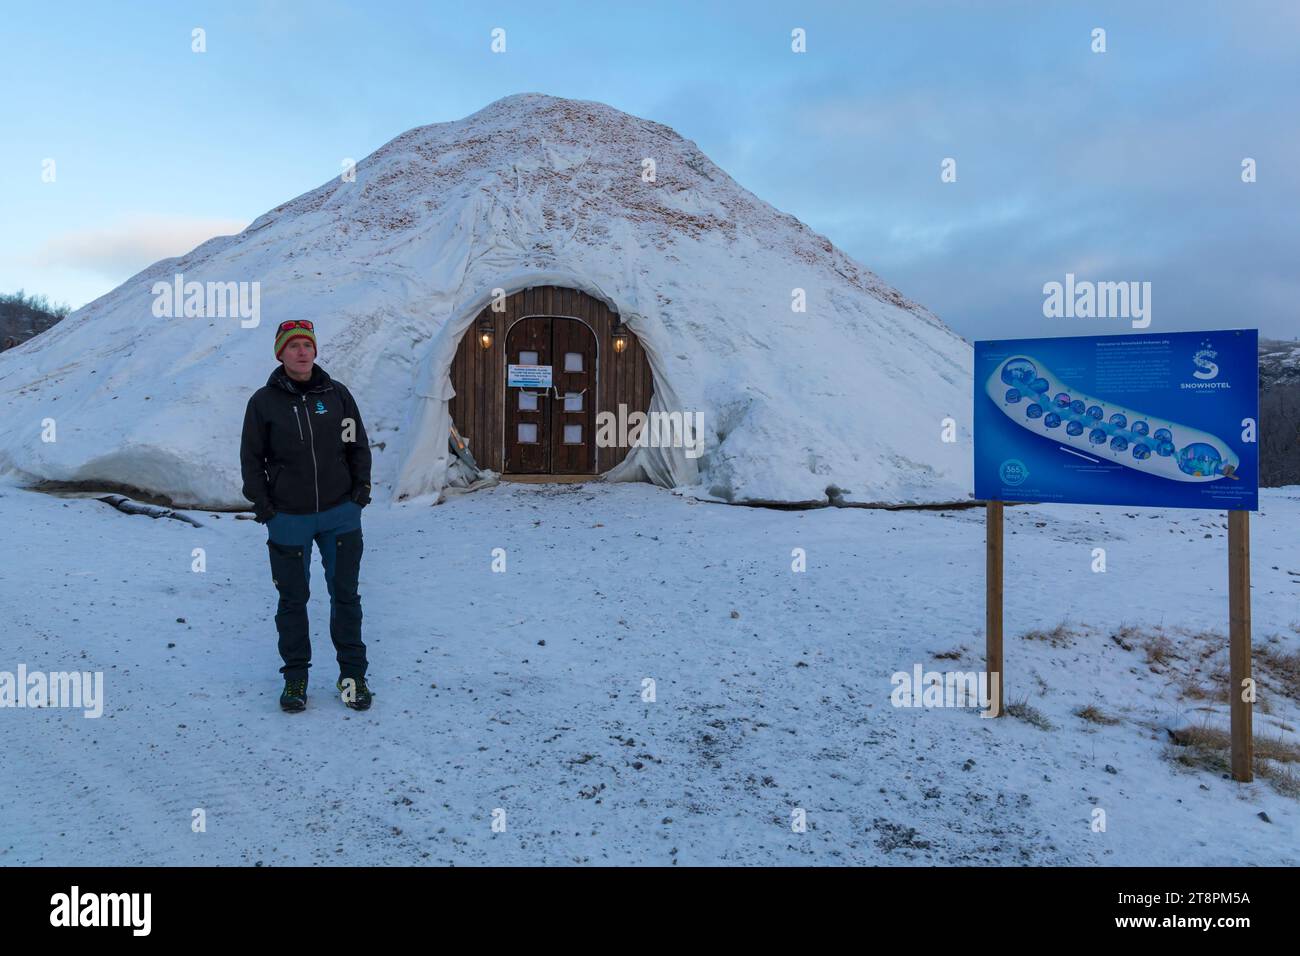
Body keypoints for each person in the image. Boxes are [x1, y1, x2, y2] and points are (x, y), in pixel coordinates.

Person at [240, 319, 374, 712]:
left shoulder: (337, 396)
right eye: (293, 345)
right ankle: (296, 678)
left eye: (307, 345)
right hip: (289, 518)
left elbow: (357, 446)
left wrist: (359, 493)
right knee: (292, 600)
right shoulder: (263, 403)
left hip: (340, 515)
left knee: (345, 597)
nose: (302, 351)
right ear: (280, 353)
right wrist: (265, 506)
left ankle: (353, 678)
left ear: (315, 351)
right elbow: (251, 459)